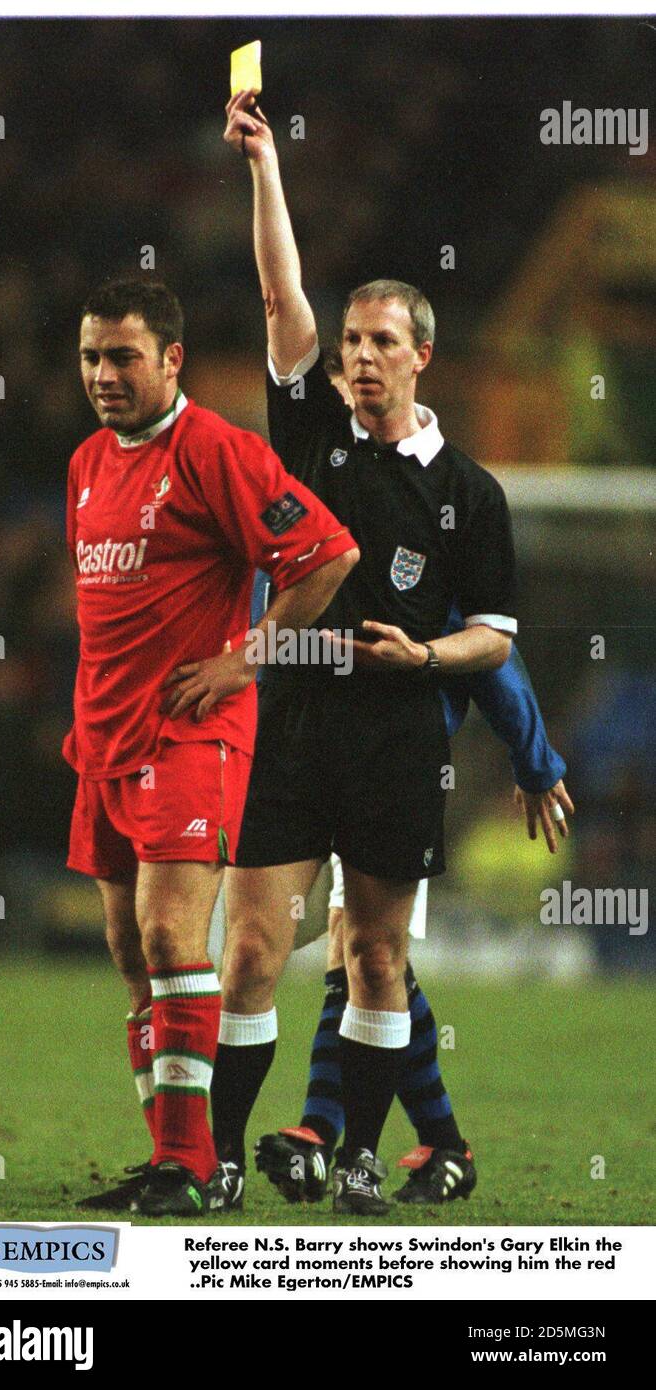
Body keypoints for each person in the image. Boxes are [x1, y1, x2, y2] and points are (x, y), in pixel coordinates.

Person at [210, 93, 518, 1216]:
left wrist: (427, 657)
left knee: (375, 962)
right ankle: (223, 1158)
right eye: (351, 343)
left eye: (382, 342)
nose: (361, 359)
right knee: (250, 951)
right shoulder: (315, 431)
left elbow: (497, 636)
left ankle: (353, 1157)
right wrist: (265, 167)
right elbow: (278, 292)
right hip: (291, 719)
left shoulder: (471, 492)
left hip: (397, 732)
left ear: (423, 355)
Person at [64, 276, 358, 1217]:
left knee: (168, 934)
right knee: (127, 948)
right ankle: (167, 1156)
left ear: (172, 358)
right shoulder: (86, 464)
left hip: (191, 732)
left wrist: (245, 663)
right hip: (102, 741)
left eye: (123, 357)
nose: (104, 375)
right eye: (90, 357)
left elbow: (329, 554)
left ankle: (193, 1167)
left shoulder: (217, 451)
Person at [236, 559, 573, 1209]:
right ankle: (441, 1143)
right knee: (365, 959)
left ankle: (322, 1133)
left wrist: (535, 762)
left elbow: (491, 650)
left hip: (395, 768)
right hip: (295, 767)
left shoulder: (410, 534)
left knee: (363, 953)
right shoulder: (290, 539)